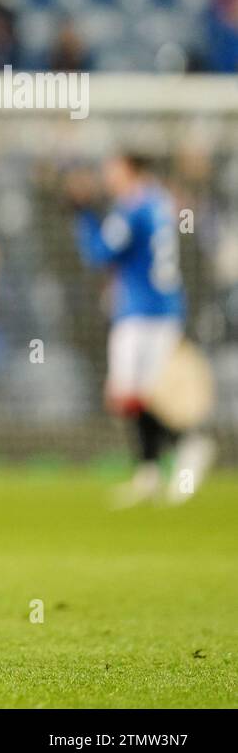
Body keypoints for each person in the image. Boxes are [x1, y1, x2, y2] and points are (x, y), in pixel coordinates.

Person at [66, 155, 214, 506]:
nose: (107, 177)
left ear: (130, 171)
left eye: (113, 170)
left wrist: (82, 212)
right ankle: (149, 472)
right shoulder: (160, 202)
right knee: (142, 393)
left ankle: (186, 444)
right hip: (164, 308)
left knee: (127, 394)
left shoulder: (133, 206)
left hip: (138, 311)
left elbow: (98, 253)